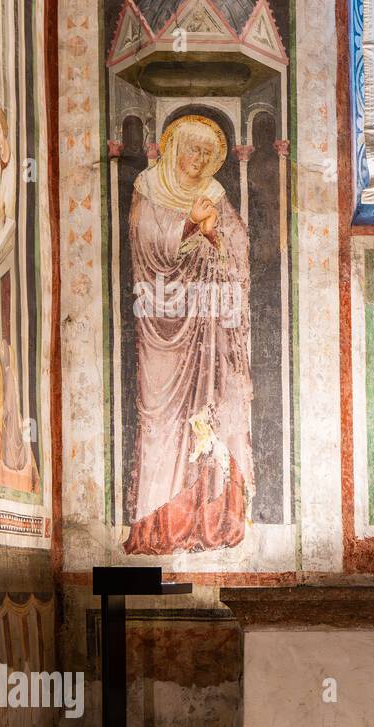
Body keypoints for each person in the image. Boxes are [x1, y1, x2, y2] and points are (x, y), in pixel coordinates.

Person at [124, 114, 252, 555]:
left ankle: (208, 521)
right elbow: (142, 243)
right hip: (160, 318)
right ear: (175, 147)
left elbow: (239, 248)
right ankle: (160, 525)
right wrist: (189, 225)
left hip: (205, 321)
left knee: (208, 415)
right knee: (161, 420)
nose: (197, 159)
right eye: (191, 149)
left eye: (205, 153)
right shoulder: (147, 185)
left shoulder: (213, 193)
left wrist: (214, 232)